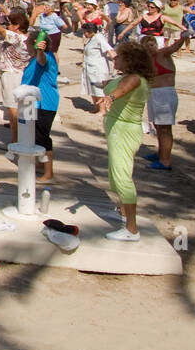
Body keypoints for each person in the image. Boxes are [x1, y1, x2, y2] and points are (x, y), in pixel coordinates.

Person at [96, 42, 154, 241]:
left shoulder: (134, 79)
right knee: (118, 172)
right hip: (119, 129)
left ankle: (131, 229)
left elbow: (123, 89)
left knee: (122, 177)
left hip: (123, 132)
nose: (115, 58)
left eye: (119, 55)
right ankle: (122, 212)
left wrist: (110, 97)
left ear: (130, 59)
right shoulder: (130, 77)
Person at [140, 31, 186, 171]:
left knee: (165, 128)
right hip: (153, 94)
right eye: (147, 46)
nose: (150, 48)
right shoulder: (146, 60)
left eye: (152, 45)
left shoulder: (163, 54)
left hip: (164, 93)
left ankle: (165, 161)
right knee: (158, 126)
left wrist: (183, 37)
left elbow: (174, 47)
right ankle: (161, 153)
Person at [22, 30, 59, 182]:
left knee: (43, 138)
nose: (26, 46)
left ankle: (48, 173)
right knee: (35, 135)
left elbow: (42, 60)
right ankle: (41, 163)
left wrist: (40, 51)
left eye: (28, 43)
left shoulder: (45, 56)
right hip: (34, 103)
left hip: (44, 103)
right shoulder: (32, 59)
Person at [80, 21, 114, 108]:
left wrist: (116, 62)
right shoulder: (91, 39)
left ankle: (102, 109)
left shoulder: (99, 38)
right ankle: (96, 107)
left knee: (98, 89)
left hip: (98, 68)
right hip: (90, 67)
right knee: (92, 88)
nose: (84, 34)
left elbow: (109, 50)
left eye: (85, 32)